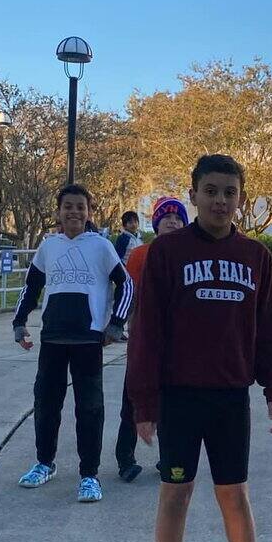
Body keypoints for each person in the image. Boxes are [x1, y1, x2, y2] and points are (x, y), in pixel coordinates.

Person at [126, 154, 272, 542]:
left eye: (230, 192)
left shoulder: (256, 255)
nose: (221, 200)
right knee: (175, 494)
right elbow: (146, 332)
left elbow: (268, 328)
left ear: (242, 197)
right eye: (211, 191)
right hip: (179, 397)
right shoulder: (167, 253)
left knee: (234, 496)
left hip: (228, 398)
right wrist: (144, 402)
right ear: (193, 194)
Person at [12, 183, 134, 503]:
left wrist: (116, 325)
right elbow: (32, 286)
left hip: (88, 339)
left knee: (90, 408)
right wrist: (19, 322)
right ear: (58, 212)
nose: (74, 212)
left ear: (89, 212)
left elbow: (127, 285)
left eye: (81, 206)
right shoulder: (48, 246)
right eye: (68, 206)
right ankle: (44, 463)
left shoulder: (101, 246)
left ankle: (89, 475)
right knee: (46, 403)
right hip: (52, 337)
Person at [114, 196, 188, 482]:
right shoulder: (140, 255)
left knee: (173, 407)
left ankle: (168, 459)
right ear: (156, 223)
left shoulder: (187, 255)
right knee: (132, 402)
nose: (172, 221)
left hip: (177, 346)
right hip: (143, 343)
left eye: (178, 217)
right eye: (166, 216)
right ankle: (125, 459)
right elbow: (128, 294)